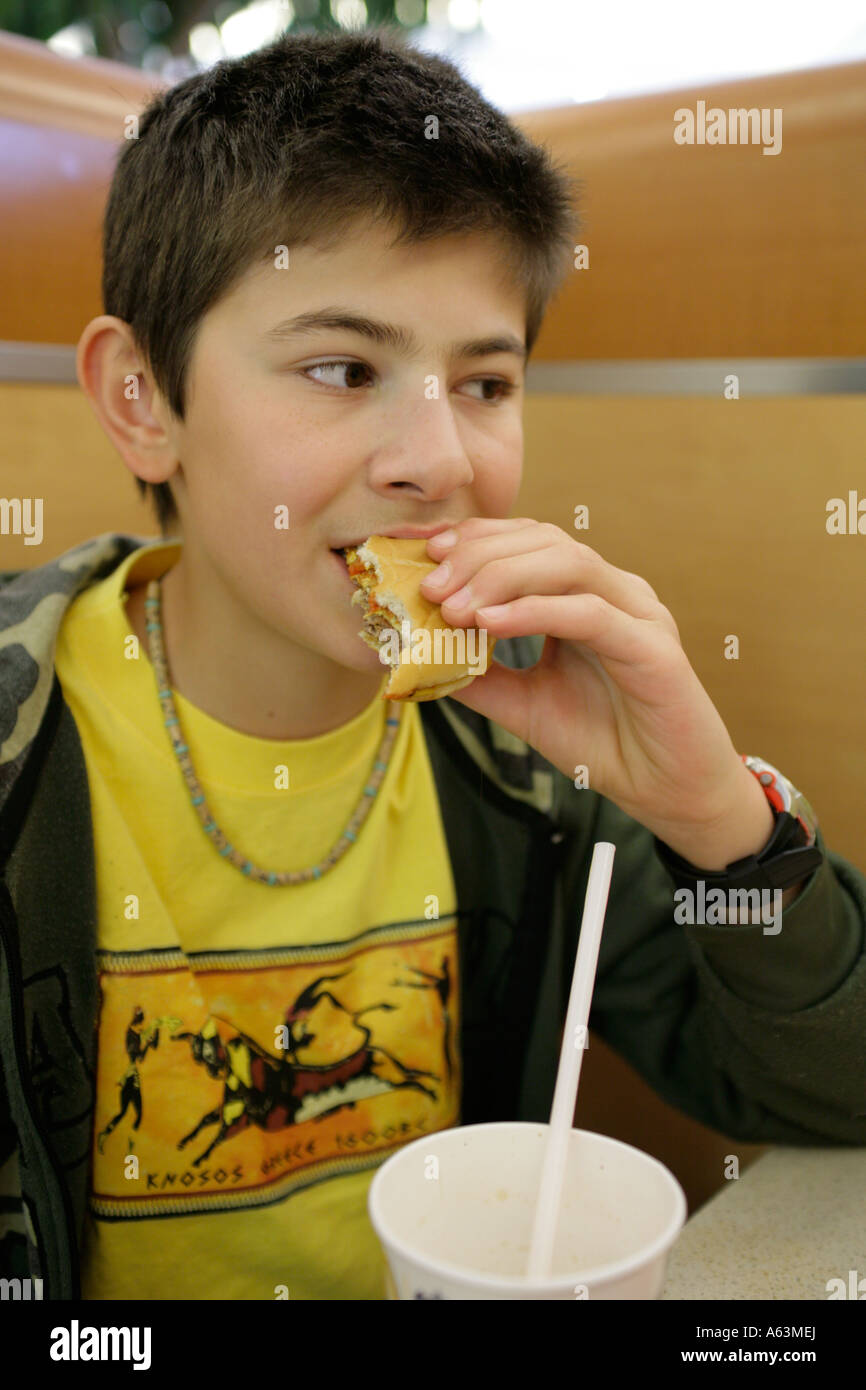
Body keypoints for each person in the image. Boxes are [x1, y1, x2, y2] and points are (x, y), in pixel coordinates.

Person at [1, 26, 864, 1303]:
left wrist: (716, 821)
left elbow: (826, 1089)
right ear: (144, 398)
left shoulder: (522, 743)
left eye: (484, 383)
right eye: (341, 367)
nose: (439, 459)